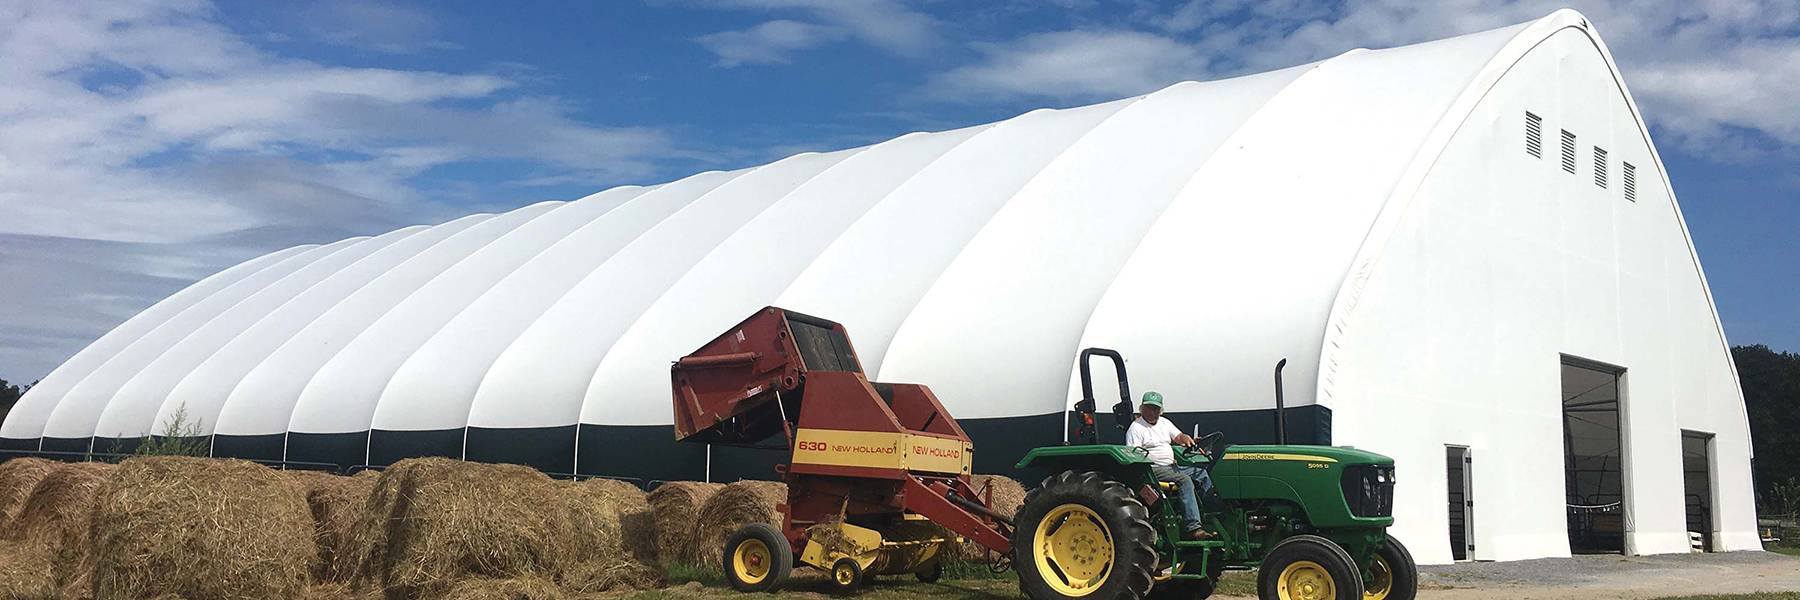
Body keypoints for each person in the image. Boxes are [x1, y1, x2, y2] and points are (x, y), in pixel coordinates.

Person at [1124, 390, 1216, 540]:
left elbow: (1178, 436)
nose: (1152, 411)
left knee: (1201, 473)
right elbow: (1134, 456)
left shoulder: (1164, 422)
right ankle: (1193, 527)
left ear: (1160, 410)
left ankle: (1213, 510)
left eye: (1155, 408)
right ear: (1142, 409)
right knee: (1184, 479)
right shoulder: (1136, 429)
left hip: (1171, 467)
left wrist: (1186, 439)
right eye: (1148, 408)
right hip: (1154, 469)